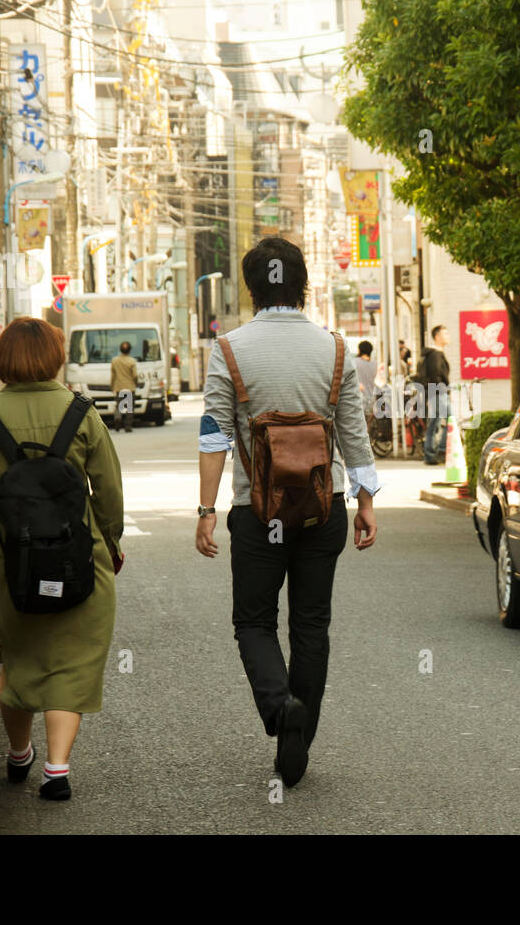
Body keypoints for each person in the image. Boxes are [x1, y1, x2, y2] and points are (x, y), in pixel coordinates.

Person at [196, 236, 378, 789]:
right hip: (325, 510)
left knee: (253, 622)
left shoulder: (229, 348)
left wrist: (207, 509)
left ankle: (281, 711)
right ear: (302, 285)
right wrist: (366, 501)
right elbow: (353, 434)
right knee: (311, 625)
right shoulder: (337, 349)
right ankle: (299, 737)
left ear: (251, 288)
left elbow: (214, 436)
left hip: (257, 512)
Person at [0, 317, 124, 803]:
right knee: (73, 659)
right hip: (80, 557)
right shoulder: (80, 411)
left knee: (20, 655)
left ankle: (17, 754)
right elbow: (109, 490)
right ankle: (57, 768)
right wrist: (110, 542)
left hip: (11, 562)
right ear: (54, 357)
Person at [419, 325, 451, 465]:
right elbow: (435, 375)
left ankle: (431, 453)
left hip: (436, 392)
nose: (448, 336)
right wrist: (443, 390)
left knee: (435, 421)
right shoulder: (435, 355)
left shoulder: (434, 354)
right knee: (451, 420)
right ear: (437, 337)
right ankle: (441, 450)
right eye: (445, 333)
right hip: (439, 392)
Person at [110, 340, 138, 433]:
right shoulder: (132, 361)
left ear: (120, 350)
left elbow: (113, 375)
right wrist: (136, 383)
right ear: (130, 350)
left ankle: (117, 419)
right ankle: (128, 426)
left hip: (119, 387)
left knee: (119, 406)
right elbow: (135, 375)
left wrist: (112, 386)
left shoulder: (115, 361)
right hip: (130, 387)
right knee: (129, 407)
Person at [354, 340, 377, 424]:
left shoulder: (354, 362)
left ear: (359, 350)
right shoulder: (375, 364)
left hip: (359, 401)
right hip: (372, 401)